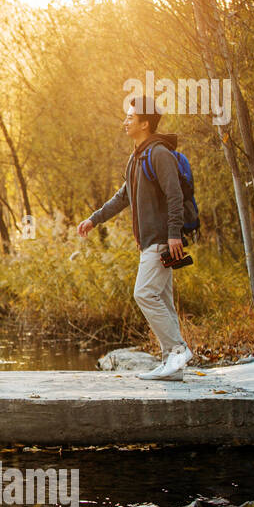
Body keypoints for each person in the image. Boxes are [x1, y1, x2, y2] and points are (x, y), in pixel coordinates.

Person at [77, 95, 192, 381]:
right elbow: (123, 196)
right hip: (151, 241)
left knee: (144, 293)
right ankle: (172, 365)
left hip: (162, 239)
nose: (125, 121)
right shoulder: (137, 157)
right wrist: (94, 219)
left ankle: (178, 350)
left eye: (130, 117)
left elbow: (175, 195)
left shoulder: (159, 154)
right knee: (162, 299)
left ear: (145, 122)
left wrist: (175, 234)